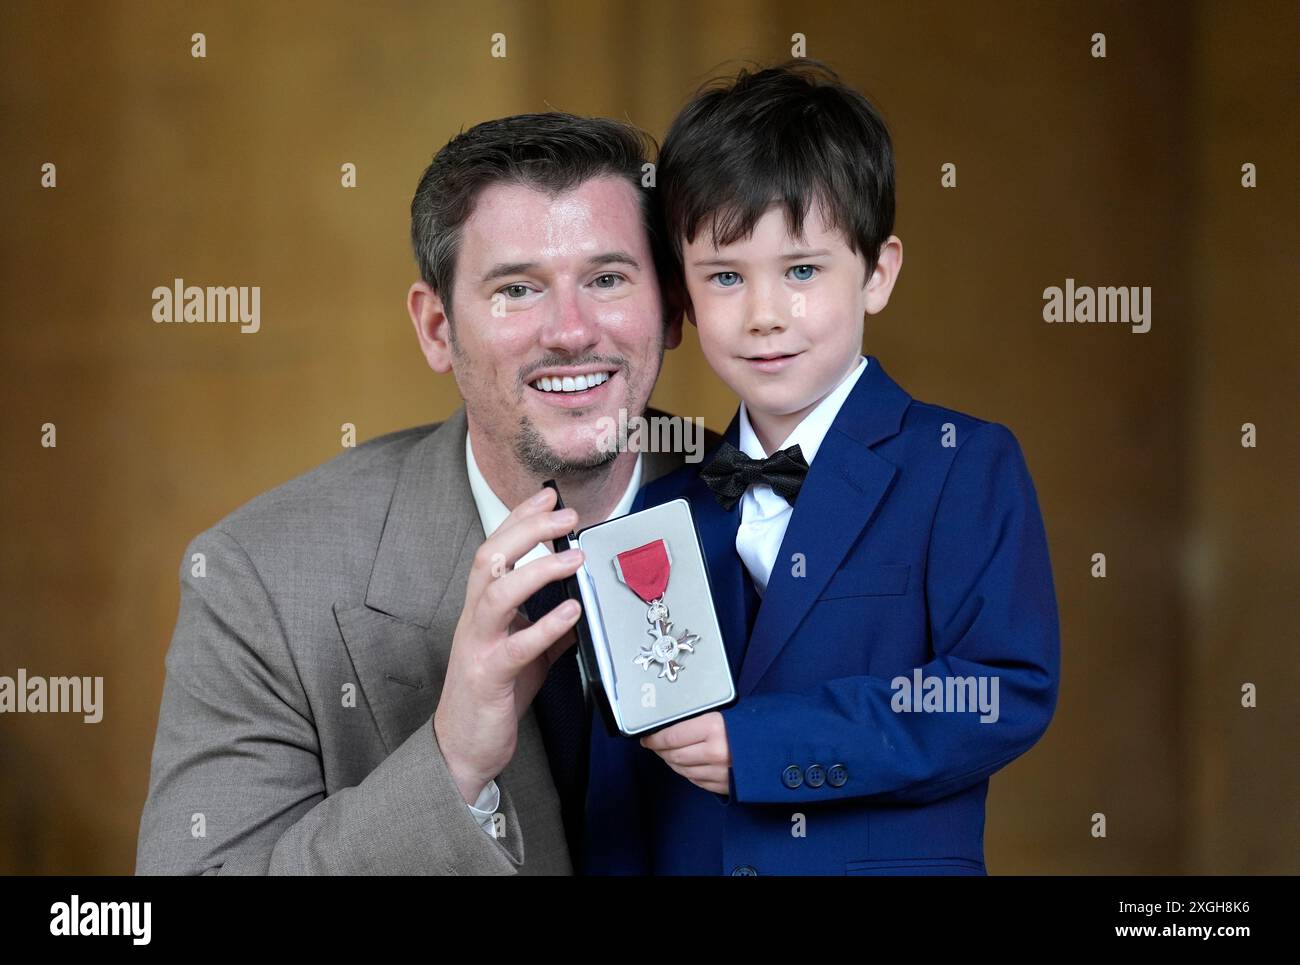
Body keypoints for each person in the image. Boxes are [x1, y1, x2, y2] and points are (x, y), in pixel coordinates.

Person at [136, 111, 702, 874]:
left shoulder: (783, 518)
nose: (571, 331)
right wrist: (451, 764)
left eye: (607, 279)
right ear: (438, 328)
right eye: (517, 288)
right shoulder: (259, 581)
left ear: (670, 307)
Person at [584, 60, 1061, 875]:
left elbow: (998, 691)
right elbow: (620, 788)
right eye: (726, 277)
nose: (766, 314)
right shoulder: (654, 510)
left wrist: (766, 744)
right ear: (683, 298)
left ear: (878, 272)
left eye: (802, 271)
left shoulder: (963, 465)